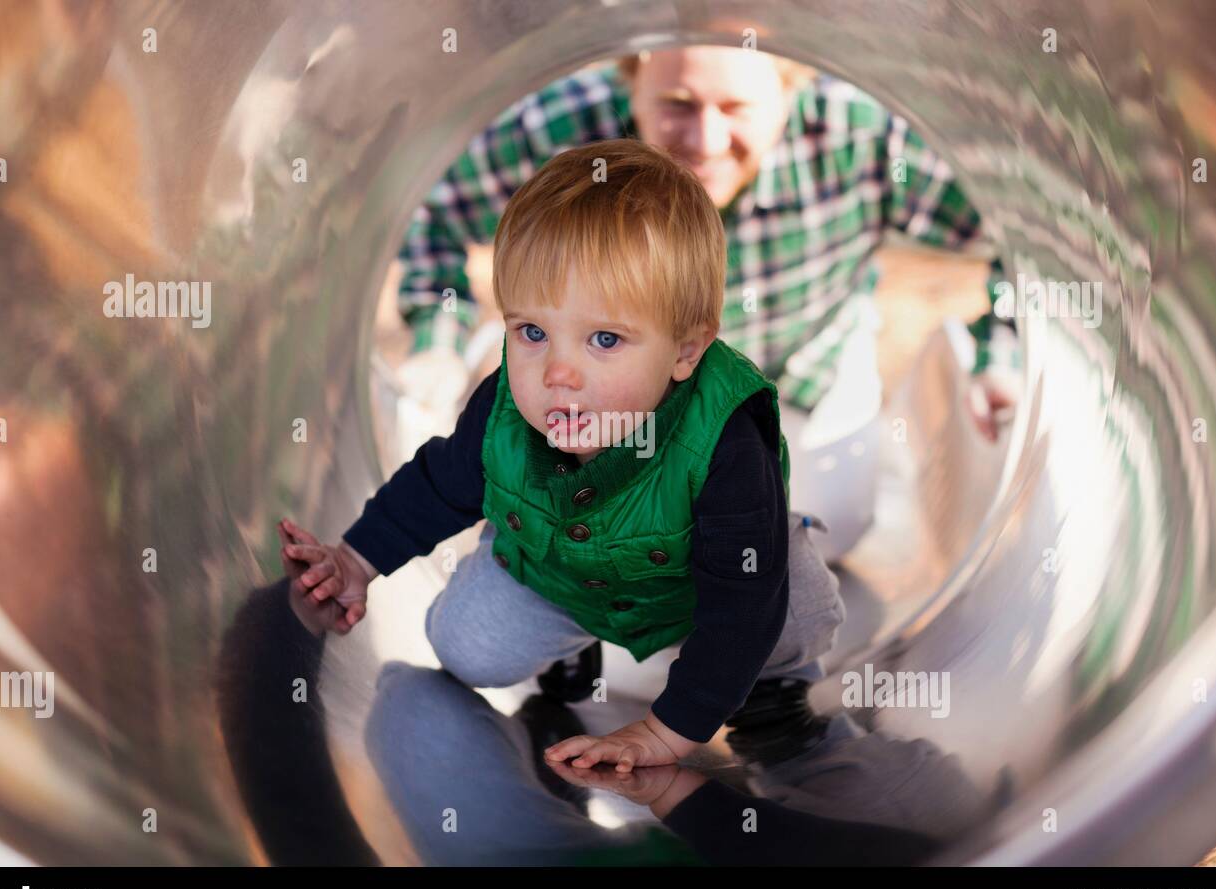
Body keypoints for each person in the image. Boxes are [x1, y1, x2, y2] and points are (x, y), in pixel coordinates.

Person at [280, 138, 847, 770]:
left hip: (708, 583)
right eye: (532, 332)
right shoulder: (505, 405)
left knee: (794, 605)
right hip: (559, 569)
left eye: (604, 339)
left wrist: (668, 732)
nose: (558, 372)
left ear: (686, 351)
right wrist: (356, 559)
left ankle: (771, 693)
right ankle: (571, 646)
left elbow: (742, 602)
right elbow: (439, 483)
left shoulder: (725, 441)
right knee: (462, 648)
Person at [389, 45, 1022, 562]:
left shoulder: (860, 138)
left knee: (820, 532)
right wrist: (437, 341)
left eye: (736, 107)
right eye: (677, 104)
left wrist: (1001, 349)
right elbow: (437, 209)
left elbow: (1029, 233)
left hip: (796, 367)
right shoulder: (563, 129)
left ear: (788, 85)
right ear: (632, 81)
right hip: (611, 387)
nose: (706, 139)